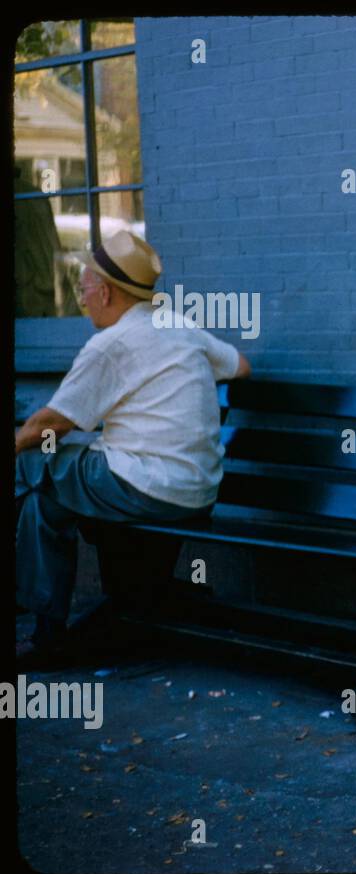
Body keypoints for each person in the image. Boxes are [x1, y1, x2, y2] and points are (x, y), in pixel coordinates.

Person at [15, 231, 252, 657]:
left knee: (31, 460)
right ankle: (49, 633)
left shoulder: (109, 345)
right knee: (42, 504)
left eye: (84, 289)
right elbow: (241, 367)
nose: (82, 300)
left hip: (142, 488)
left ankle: (43, 625)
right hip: (197, 494)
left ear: (105, 292)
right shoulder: (178, 325)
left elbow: (48, 426)